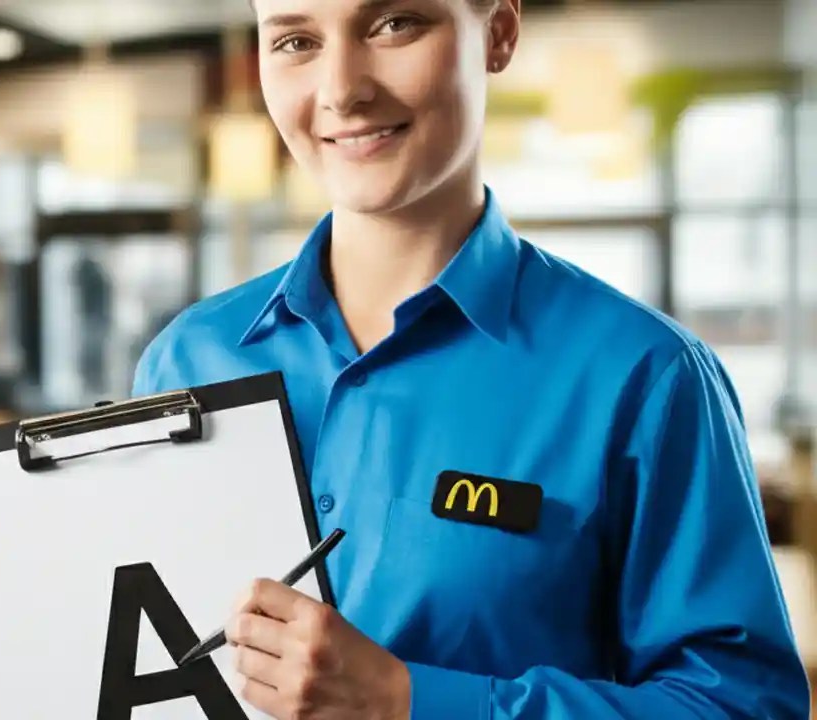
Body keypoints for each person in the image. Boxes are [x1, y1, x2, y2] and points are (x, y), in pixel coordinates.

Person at [130, 0, 810, 717]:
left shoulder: (647, 378)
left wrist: (410, 701)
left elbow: (742, 708)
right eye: (297, 40)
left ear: (499, 31)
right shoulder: (186, 360)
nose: (341, 89)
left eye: (394, 24)